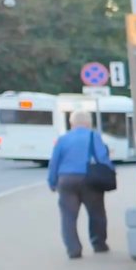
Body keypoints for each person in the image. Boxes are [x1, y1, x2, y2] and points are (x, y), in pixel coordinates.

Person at [46, 110, 111, 260]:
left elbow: (54, 162)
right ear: (89, 123)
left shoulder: (63, 139)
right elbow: (102, 158)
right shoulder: (94, 136)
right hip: (89, 179)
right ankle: (99, 244)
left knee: (68, 216)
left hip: (66, 180)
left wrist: (52, 182)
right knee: (97, 213)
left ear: (71, 123)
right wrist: (109, 174)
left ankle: (73, 249)